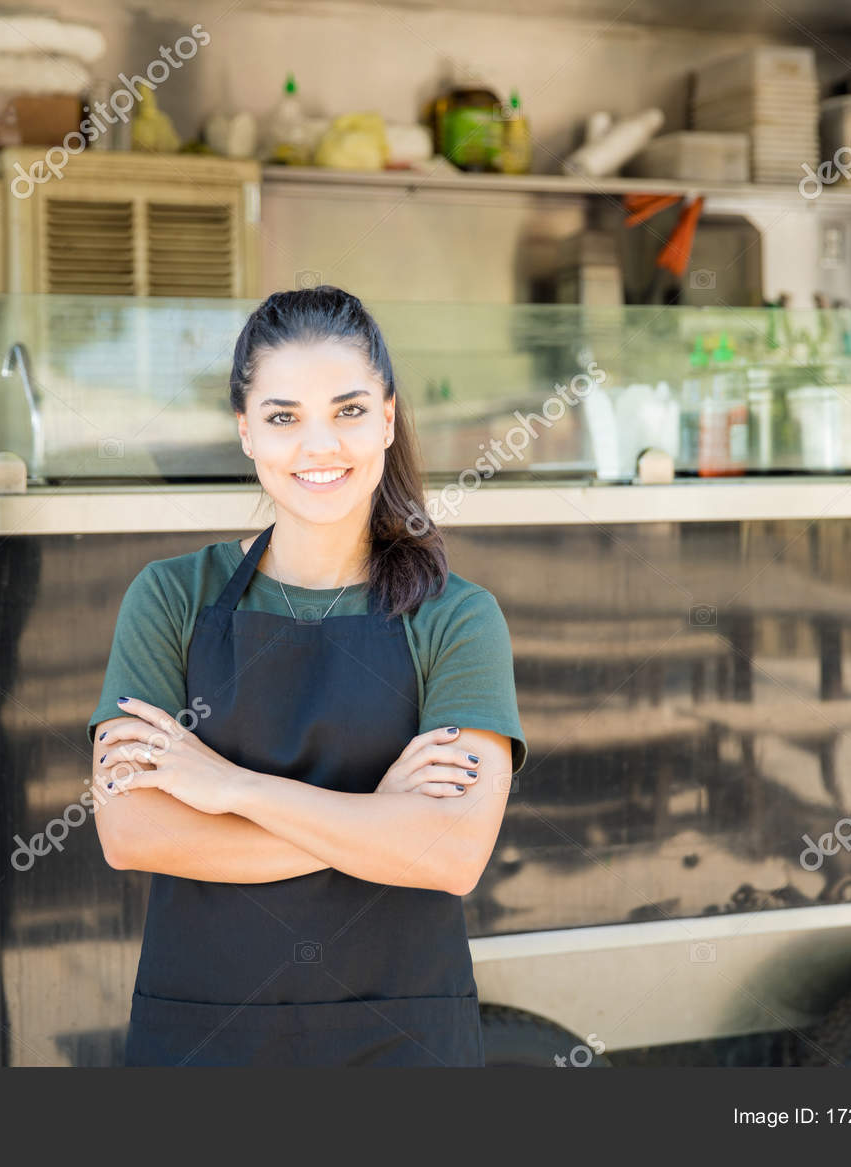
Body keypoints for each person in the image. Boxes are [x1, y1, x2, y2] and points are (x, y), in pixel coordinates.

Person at [87, 285, 527, 1067]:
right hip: (205, 1036)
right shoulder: (169, 597)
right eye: (284, 416)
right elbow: (132, 831)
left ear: (388, 419)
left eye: (349, 411)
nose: (318, 445)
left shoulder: (458, 618)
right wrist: (379, 821)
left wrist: (230, 789)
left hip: (399, 1041)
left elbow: (452, 854)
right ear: (246, 432)